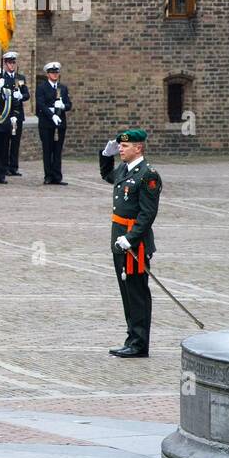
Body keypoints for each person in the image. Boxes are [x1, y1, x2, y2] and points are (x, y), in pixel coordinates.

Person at [100, 129, 160, 358]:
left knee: (137, 293)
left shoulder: (148, 175)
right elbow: (108, 176)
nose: (121, 150)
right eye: (120, 146)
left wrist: (131, 238)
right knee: (127, 292)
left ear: (139, 148)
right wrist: (106, 155)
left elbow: (147, 213)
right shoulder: (125, 170)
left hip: (135, 244)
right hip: (120, 240)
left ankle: (139, 343)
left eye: (125, 147)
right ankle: (132, 338)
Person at [37, 61, 73, 185]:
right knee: (47, 150)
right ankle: (48, 176)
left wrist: (63, 106)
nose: (55, 74)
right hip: (46, 123)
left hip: (59, 124)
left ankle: (57, 176)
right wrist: (51, 114)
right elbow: (40, 104)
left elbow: (69, 105)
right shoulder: (42, 87)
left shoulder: (62, 88)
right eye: (52, 72)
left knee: (57, 150)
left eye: (56, 72)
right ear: (48, 74)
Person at [2, 51, 28, 177]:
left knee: (16, 141)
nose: (11, 65)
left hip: (18, 113)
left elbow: (27, 95)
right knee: (5, 141)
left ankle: (14, 166)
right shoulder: (2, 78)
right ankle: (5, 166)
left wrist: (21, 95)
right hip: (6, 113)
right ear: (5, 64)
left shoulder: (20, 78)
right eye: (9, 63)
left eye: (13, 63)